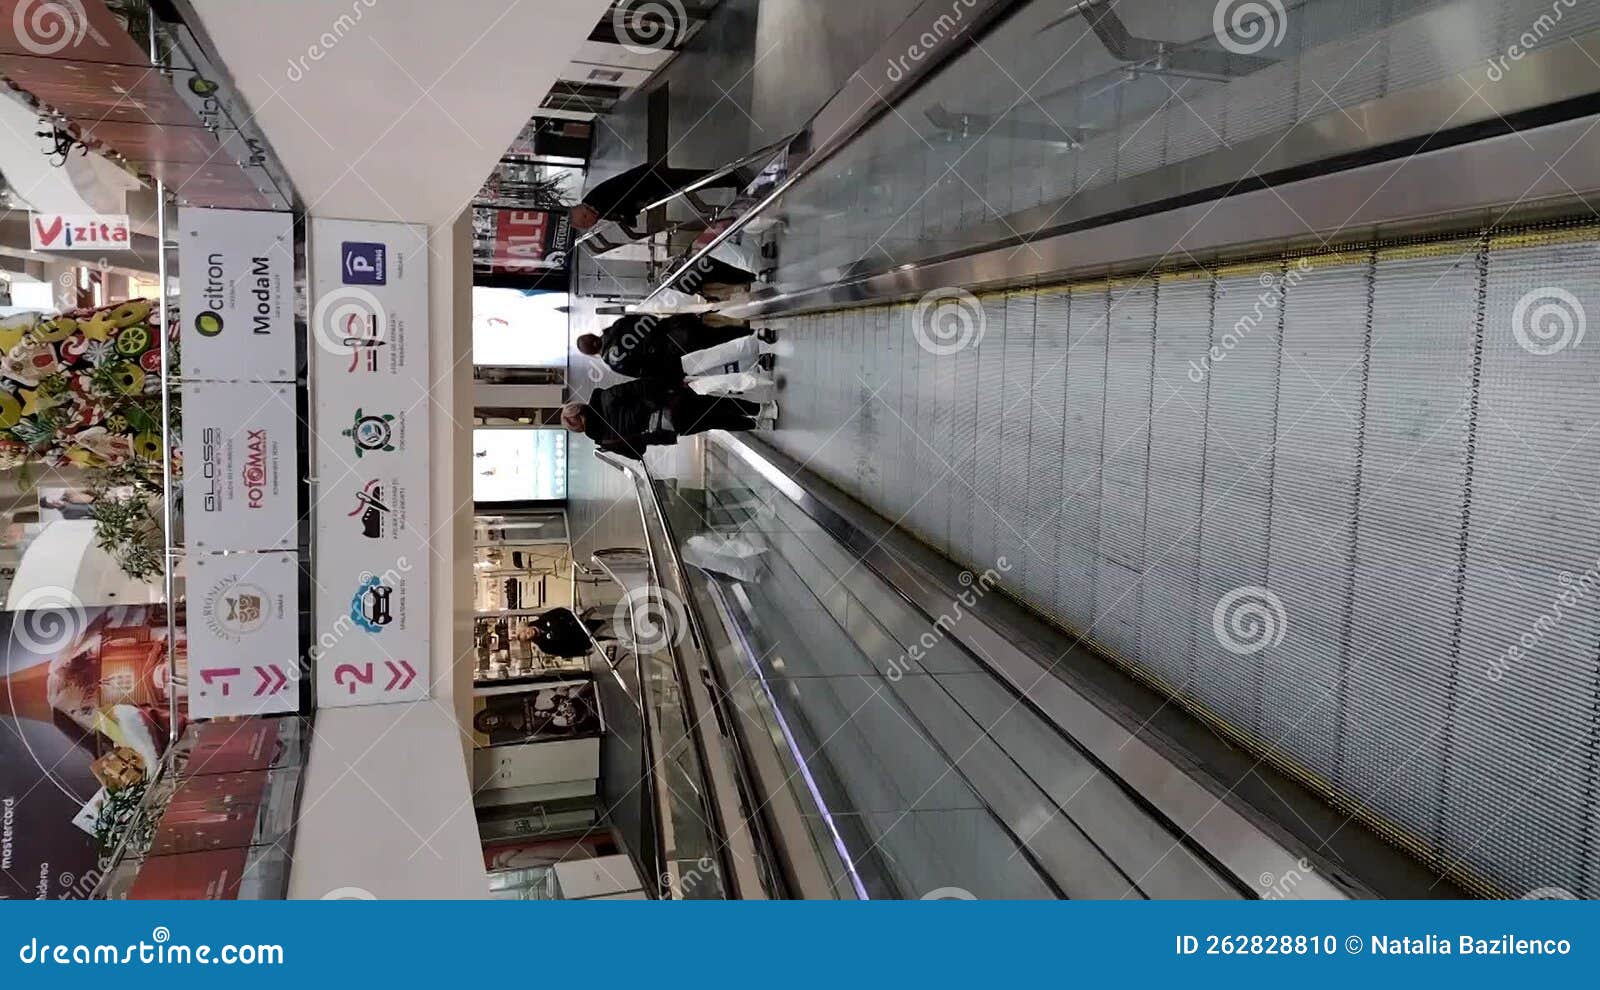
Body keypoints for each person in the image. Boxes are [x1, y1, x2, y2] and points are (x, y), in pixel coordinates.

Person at [562, 379, 776, 461]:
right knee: (716, 404)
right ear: (581, 408)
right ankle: (762, 410)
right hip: (670, 404)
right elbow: (641, 386)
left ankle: (758, 424)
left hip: (668, 428)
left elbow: (638, 453)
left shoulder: (604, 441)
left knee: (714, 422)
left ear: (579, 429)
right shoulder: (607, 397)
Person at [576, 314, 782, 382]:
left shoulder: (615, 363)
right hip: (677, 327)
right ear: (594, 335)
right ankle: (758, 333)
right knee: (718, 333)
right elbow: (649, 319)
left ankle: (758, 355)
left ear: (593, 353)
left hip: (678, 354)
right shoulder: (619, 326)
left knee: (719, 350)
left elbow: (647, 373)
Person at [570, 162, 747, 231]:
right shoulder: (597, 208)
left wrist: (629, 214)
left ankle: (732, 175)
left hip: (649, 181)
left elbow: (623, 198)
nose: (589, 221)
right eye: (585, 224)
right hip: (649, 187)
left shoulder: (597, 201)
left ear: (583, 209)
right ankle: (731, 177)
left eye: (585, 218)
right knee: (691, 180)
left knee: (692, 178)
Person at [529, 607, 604, 659]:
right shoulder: (544, 646)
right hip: (587, 639)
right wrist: (583, 653)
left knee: (609, 614)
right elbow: (565, 652)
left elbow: (561, 611)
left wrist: (574, 617)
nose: (528, 634)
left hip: (585, 620)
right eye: (526, 637)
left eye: (525, 632)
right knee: (610, 630)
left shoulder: (544, 618)